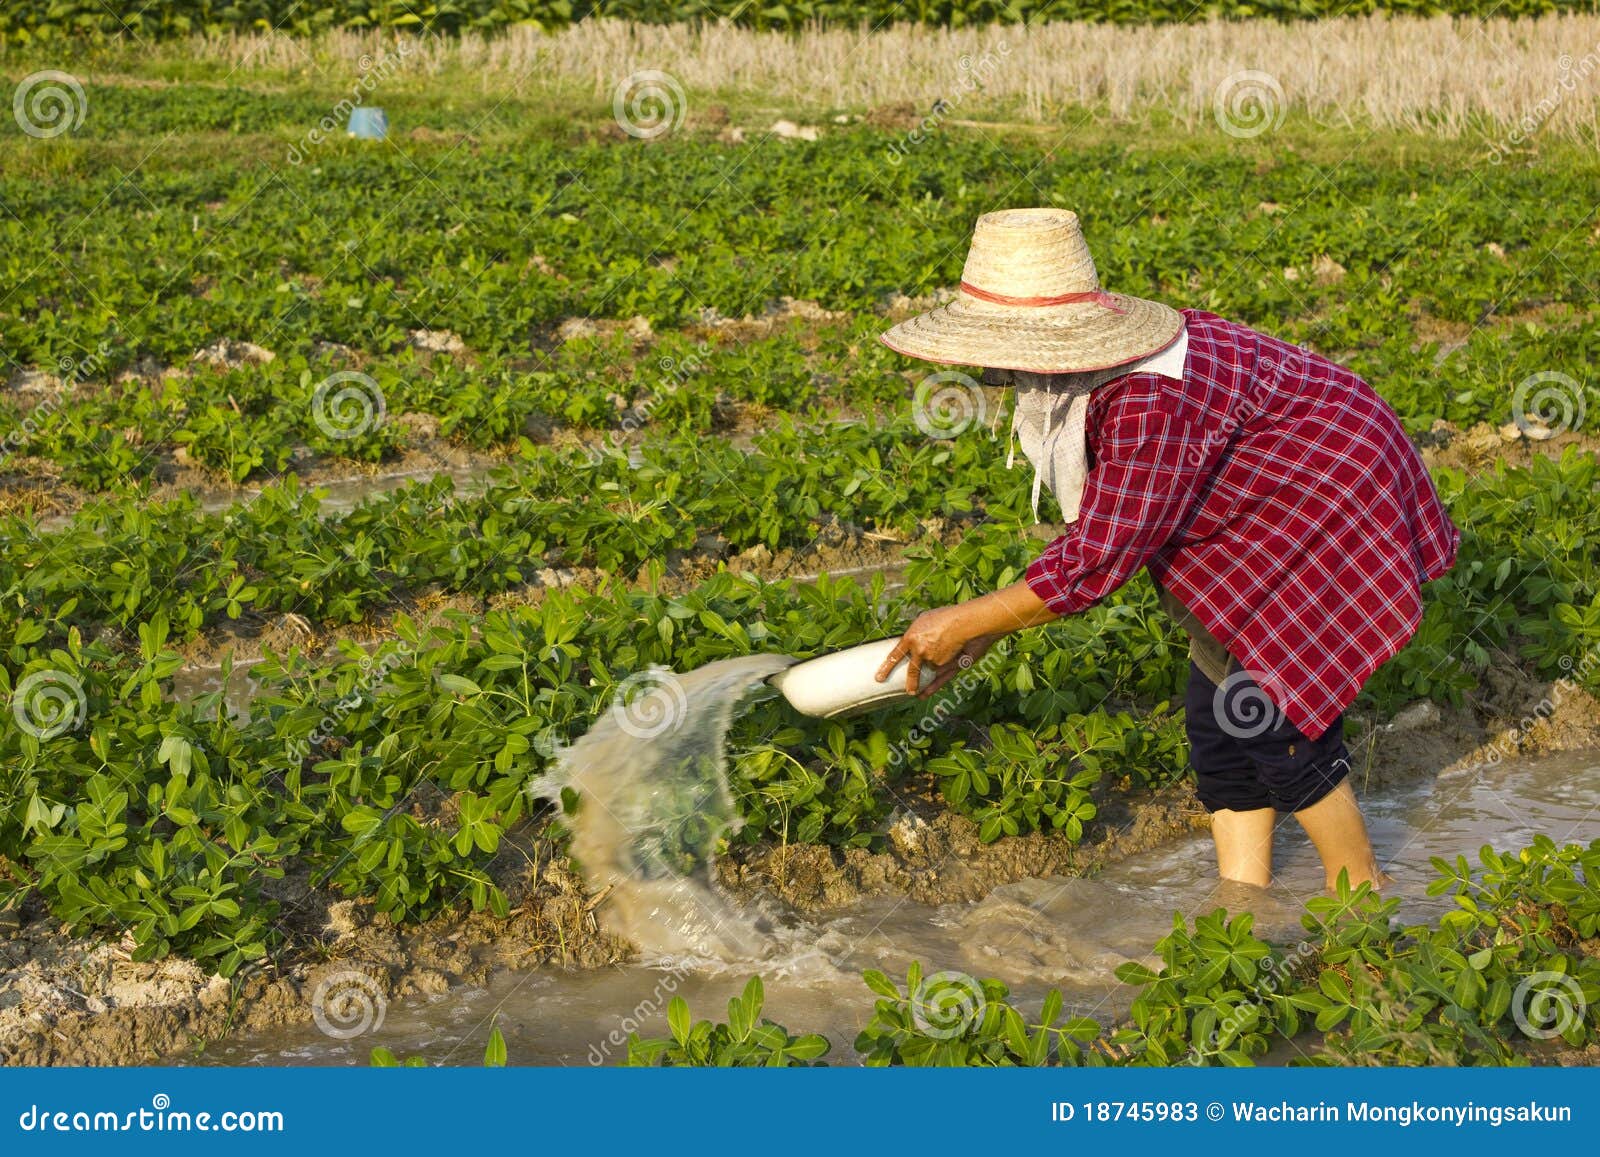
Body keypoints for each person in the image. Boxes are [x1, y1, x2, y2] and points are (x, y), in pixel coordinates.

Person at [875, 207, 1459, 890]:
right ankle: (1242, 911)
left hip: (1330, 488)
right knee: (1219, 725)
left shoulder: (1147, 395)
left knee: (1275, 716)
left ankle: (1360, 891)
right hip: (1261, 497)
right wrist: (986, 632)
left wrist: (968, 621)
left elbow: (1097, 558)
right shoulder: (1098, 376)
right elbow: (1110, 533)